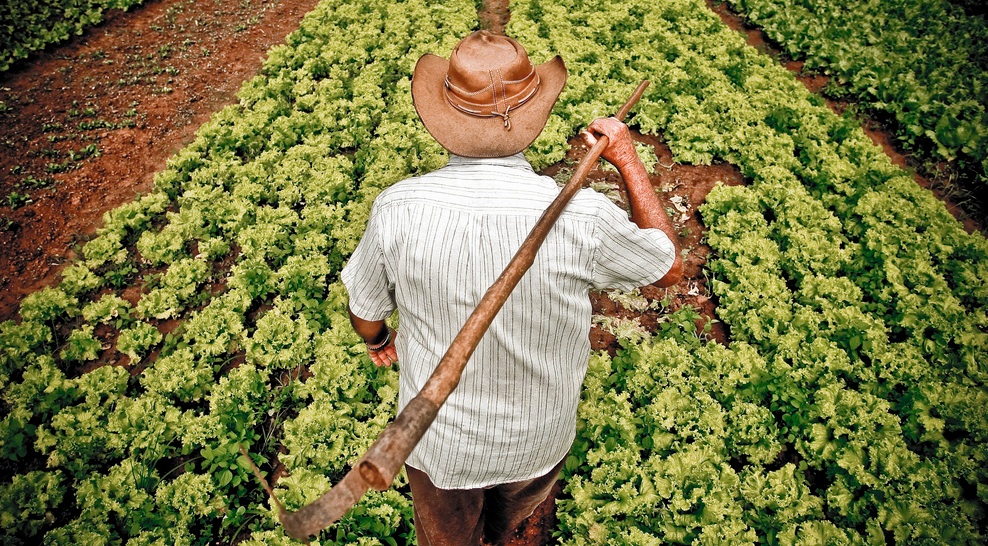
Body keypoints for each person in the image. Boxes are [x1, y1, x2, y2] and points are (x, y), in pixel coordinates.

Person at [340, 30, 682, 546]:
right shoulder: (582, 215)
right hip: (536, 441)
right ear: (534, 116)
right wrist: (628, 161)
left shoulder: (397, 209)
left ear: (443, 119)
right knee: (513, 525)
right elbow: (667, 265)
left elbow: (365, 309)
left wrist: (377, 341)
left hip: (440, 448)